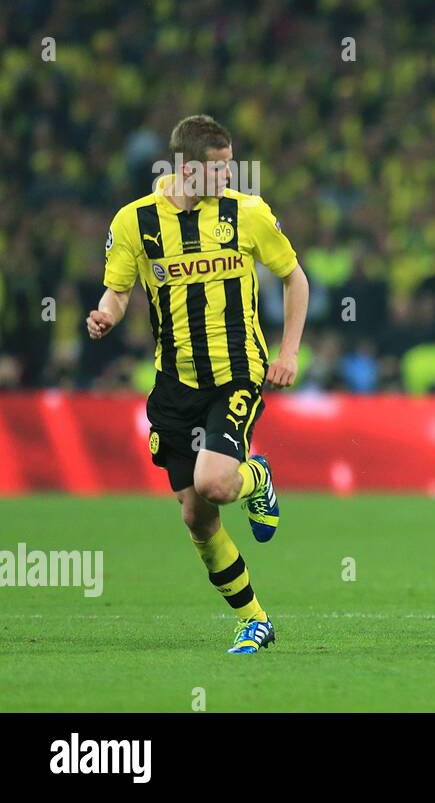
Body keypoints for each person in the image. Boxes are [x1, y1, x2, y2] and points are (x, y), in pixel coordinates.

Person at [86, 115, 309, 654]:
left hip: (236, 374)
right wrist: (106, 314)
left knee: (215, 484)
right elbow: (117, 290)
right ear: (186, 169)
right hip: (174, 385)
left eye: (231, 165)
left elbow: (294, 276)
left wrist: (288, 353)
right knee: (196, 514)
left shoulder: (247, 214)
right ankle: (255, 619)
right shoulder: (135, 222)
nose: (228, 176)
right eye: (218, 168)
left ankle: (253, 476)